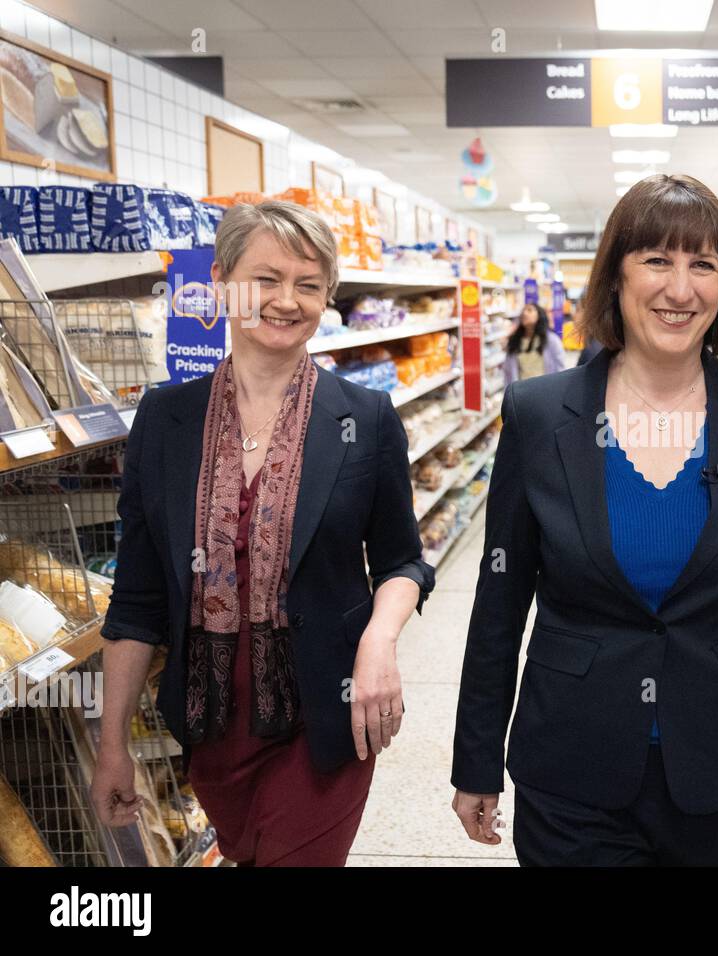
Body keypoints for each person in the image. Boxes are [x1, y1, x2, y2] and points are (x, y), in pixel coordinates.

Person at [450, 173, 718, 866]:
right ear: (615, 276)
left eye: (703, 264)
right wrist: (475, 757)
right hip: (571, 770)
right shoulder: (541, 414)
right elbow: (499, 603)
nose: (681, 288)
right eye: (657, 260)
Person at [91, 201, 435, 867]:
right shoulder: (165, 421)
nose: (286, 301)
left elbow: (402, 561)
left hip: (326, 717)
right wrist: (112, 749)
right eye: (266, 279)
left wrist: (378, 642)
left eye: (309, 285)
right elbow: (135, 602)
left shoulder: (363, 418)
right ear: (221, 281)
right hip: (211, 721)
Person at [503, 302, 565, 384]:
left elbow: (560, 367)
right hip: (522, 391)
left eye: (529, 310)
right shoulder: (515, 341)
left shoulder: (551, 340)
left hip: (545, 389)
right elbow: (508, 372)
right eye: (523, 310)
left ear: (539, 315)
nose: (524, 313)